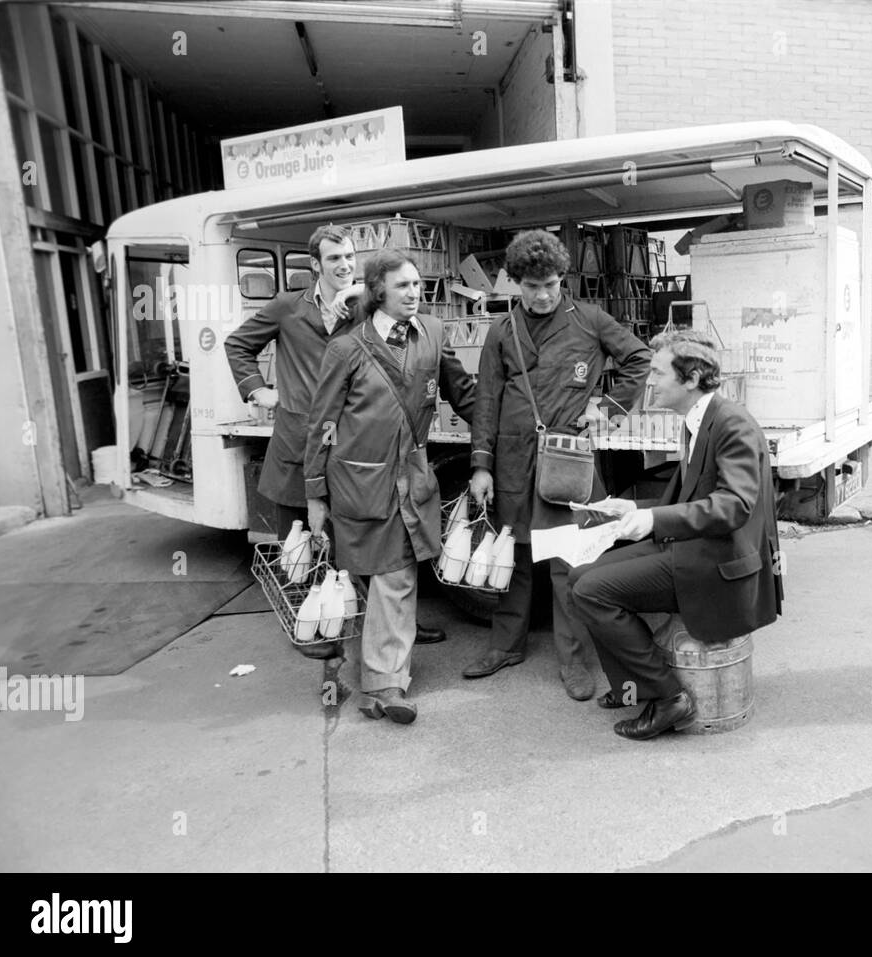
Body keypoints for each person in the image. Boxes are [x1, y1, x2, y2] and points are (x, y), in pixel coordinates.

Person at [224, 225, 446, 647]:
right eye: (334, 259)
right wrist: (259, 389)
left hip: (353, 448)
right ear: (314, 265)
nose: (344, 265)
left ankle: (381, 630)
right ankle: (318, 631)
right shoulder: (287, 307)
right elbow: (238, 344)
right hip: (300, 443)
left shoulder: (362, 308)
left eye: (349, 257)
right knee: (307, 546)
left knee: (363, 545)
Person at [462, 229, 651, 701]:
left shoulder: (589, 320)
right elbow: (486, 400)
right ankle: (506, 646)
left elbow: (639, 357)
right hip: (510, 461)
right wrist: (480, 466)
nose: (542, 295)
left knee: (568, 561)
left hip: (568, 462)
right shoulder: (501, 331)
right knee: (514, 556)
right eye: (531, 286)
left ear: (562, 278)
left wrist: (604, 409)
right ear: (515, 283)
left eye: (550, 284)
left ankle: (573, 660)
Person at [568, 330, 783, 740]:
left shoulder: (732, 424)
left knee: (592, 591)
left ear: (690, 378)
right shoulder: (700, 419)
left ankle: (667, 697)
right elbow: (689, 498)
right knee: (581, 577)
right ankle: (631, 689)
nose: (649, 382)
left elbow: (732, 506)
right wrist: (635, 509)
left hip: (717, 566)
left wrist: (652, 523)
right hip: (696, 549)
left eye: (656, 372)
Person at [303, 250, 476, 725]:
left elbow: (462, 393)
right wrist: (316, 494)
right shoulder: (345, 348)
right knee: (367, 579)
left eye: (418, 284)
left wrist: (499, 438)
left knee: (395, 577)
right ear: (378, 291)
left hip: (410, 479)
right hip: (356, 480)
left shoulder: (434, 333)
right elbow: (322, 423)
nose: (415, 292)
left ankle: (386, 684)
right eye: (403, 286)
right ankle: (363, 672)